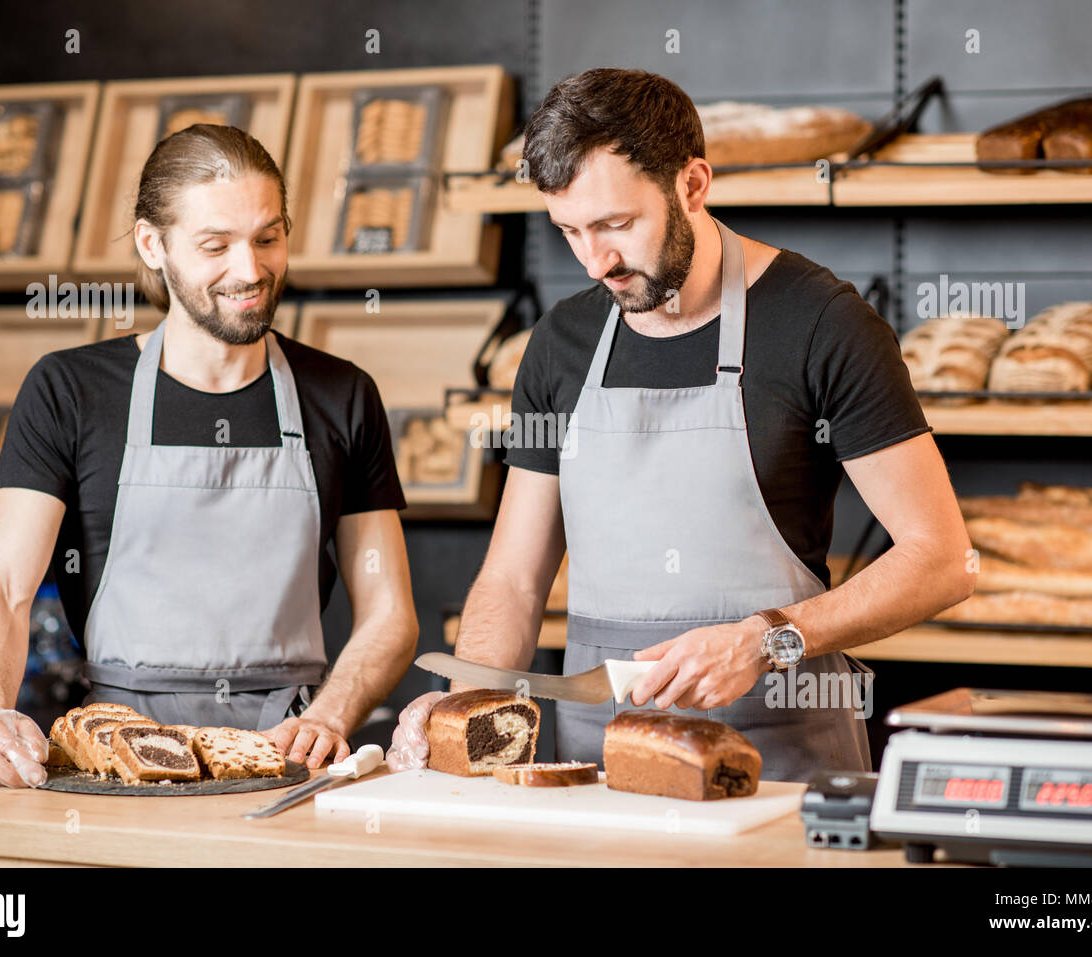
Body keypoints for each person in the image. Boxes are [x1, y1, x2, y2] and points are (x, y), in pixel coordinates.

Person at [387, 69, 976, 781]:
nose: (596, 261)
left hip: (778, 766)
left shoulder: (821, 323)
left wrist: (768, 641)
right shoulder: (561, 344)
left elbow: (943, 560)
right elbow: (513, 578)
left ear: (692, 184)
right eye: (570, 230)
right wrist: (464, 708)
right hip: (594, 765)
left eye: (615, 224)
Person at [0, 125, 418, 788]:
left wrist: (332, 714)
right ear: (153, 243)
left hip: (284, 755)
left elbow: (389, 609)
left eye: (268, 236)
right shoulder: (72, 390)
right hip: (114, 755)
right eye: (215, 245)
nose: (251, 269)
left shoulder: (341, 395)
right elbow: (0, 586)